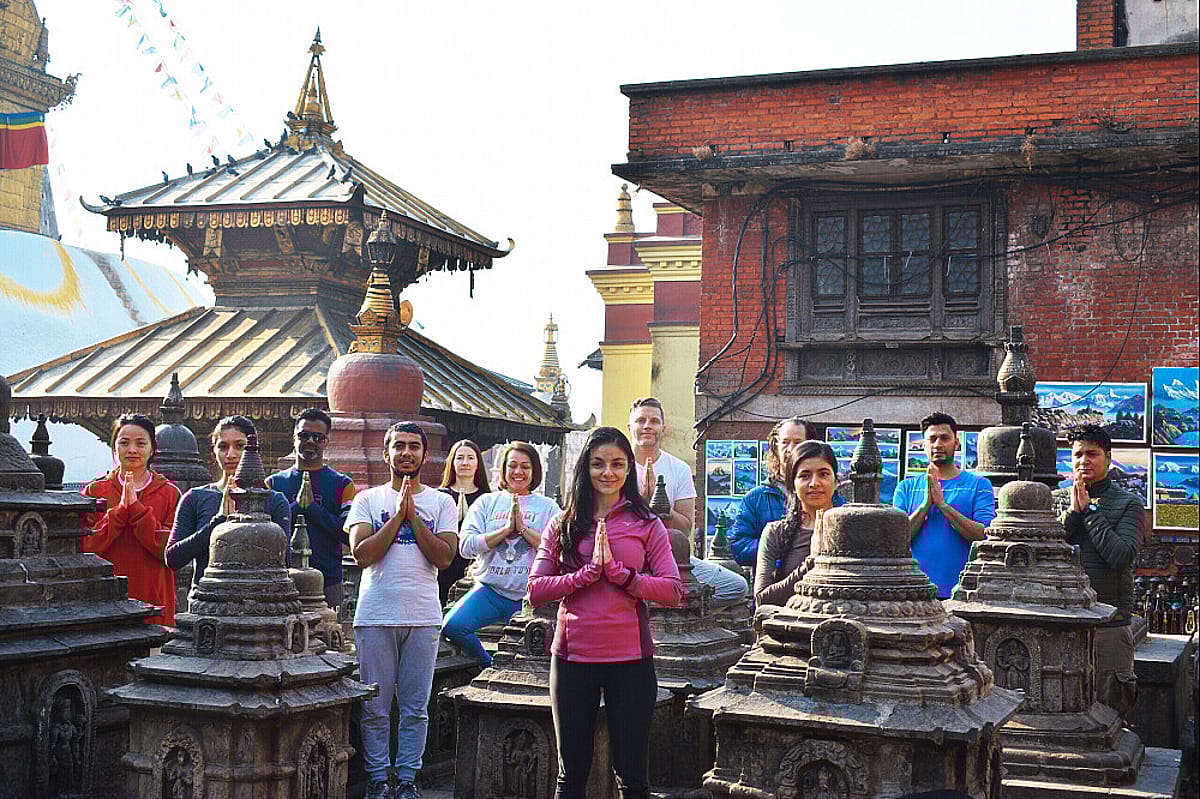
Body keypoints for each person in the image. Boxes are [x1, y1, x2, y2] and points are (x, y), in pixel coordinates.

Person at [528, 426, 682, 799]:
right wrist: (584, 576)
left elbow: (673, 590)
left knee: (632, 775)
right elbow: (535, 591)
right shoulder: (563, 523)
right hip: (572, 658)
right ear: (586, 469)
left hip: (630, 660)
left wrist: (622, 576)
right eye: (598, 464)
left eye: (616, 464)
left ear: (629, 468)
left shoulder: (647, 524)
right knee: (572, 774)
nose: (607, 473)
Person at [346, 421, 458, 799]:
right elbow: (362, 554)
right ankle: (378, 778)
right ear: (386, 453)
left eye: (414, 446)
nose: (406, 453)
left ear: (424, 455)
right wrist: (397, 516)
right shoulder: (368, 500)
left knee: (415, 707)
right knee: (375, 707)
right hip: (376, 614)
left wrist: (414, 518)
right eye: (399, 446)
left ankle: (407, 778)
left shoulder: (442, 502)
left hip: (423, 615)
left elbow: (444, 558)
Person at [1052, 424, 1142, 719]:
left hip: (1110, 625)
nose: (1084, 461)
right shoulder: (1056, 501)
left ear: (1108, 458)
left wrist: (1090, 513)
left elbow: (1121, 556)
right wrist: (1074, 513)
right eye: (1078, 454)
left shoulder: (1128, 503)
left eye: (1092, 454)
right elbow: (1050, 551)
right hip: (1063, 623)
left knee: (1111, 711)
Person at [443, 442, 560, 666]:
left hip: (530, 596)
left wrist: (524, 530)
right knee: (453, 626)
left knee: (533, 652)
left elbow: (560, 550)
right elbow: (465, 545)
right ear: (503, 470)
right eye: (512, 466)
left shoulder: (548, 507)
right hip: (490, 590)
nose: (518, 472)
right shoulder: (487, 502)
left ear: (534, 470)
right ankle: (489, 663)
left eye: (525, 466)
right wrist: (505, 531)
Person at [629, 397, 748, 604]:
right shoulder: (618, 466)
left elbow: (684, 528)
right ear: (629, 426)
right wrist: (639, 500)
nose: (647, 426)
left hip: (672, 558)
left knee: (736, 586)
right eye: (641, 421)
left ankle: (690, 615)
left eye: (654, 421)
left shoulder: (678, 469)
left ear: (663, 428)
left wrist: (656, 504)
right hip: (627, 557)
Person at [168, 415, 292, 589]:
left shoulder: (275, 501)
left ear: (254, 451)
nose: (231, 455)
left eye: (240, 446)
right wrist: (218, 522)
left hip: (260, 599)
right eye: (223, 447)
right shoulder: (195, 497)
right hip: (208, 600)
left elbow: (285, 560)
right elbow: (173, 558)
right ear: (214, 451)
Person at [82, 413, 181, 626]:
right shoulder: (96, 490)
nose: (132, 450)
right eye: (124, 443)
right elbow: (84, 545)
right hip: (104, 597)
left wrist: (136, 510)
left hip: (154, 595)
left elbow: (170, 549)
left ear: (152, 448)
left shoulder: (169, 493)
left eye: (140, 443)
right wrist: (118, 514)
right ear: (114, 447)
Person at [891, 412, 995, 599]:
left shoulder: (979, 485)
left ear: (956, 443)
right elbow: (895, 539)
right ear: (924, 445)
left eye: (945, 438)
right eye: (932, 439)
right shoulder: (905, 488)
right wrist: (925, 507)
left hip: (964, 592)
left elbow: (984, 535)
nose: (938, 444)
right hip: (914, 592)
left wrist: (943, 506)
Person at [267, 408, 357, 609]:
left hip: (327, 581)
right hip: (281, 578)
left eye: (317, 437)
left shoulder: (343, 485)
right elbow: (267, 533)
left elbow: (348, 535)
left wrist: (314, 510)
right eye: (304, 435)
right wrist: (297, 507)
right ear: (294, 438)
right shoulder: (272, 484)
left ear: (326, 442)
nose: (310, 441)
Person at [754, 441, 838, 607]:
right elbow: (762, 600)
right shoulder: (776, 533)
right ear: (792, 485)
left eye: (823, 474)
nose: (814, 483)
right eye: (804, 476)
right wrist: (813, 560)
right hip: (789, 628)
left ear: (836, 481)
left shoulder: (851, 530)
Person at [436, 438, 491, 606]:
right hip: (442, 564)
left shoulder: (488, 499)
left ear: (477, 464)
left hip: (475, 566)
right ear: (452, 462)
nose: (465, 463)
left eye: (470, 458)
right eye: (459, 458)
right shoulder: (439, 496)